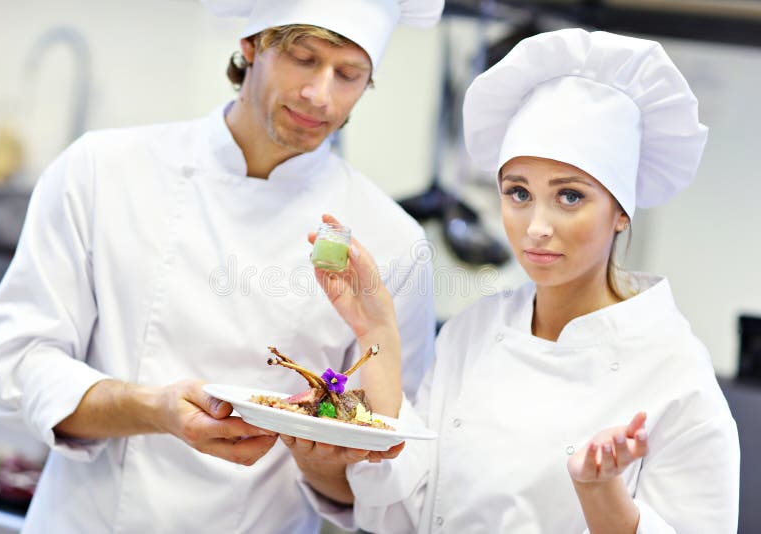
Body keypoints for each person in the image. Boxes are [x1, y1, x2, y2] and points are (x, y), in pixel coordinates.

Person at [0, 1, 443, 532]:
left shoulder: (393, 241)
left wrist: (319, 455)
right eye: (302, 57)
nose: (321, 95)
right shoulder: (101, 171)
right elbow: (19, 365)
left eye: (349, 74)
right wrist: (153, 408)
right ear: (249, 46)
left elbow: (382, 482)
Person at [298, 29, 741, 533]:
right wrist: (377, 332)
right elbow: (404, 510)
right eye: (518, 192)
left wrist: (601, 494)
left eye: (570, 196)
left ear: (620, 210)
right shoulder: (473, 332)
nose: (536, 227)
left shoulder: (673, 372)